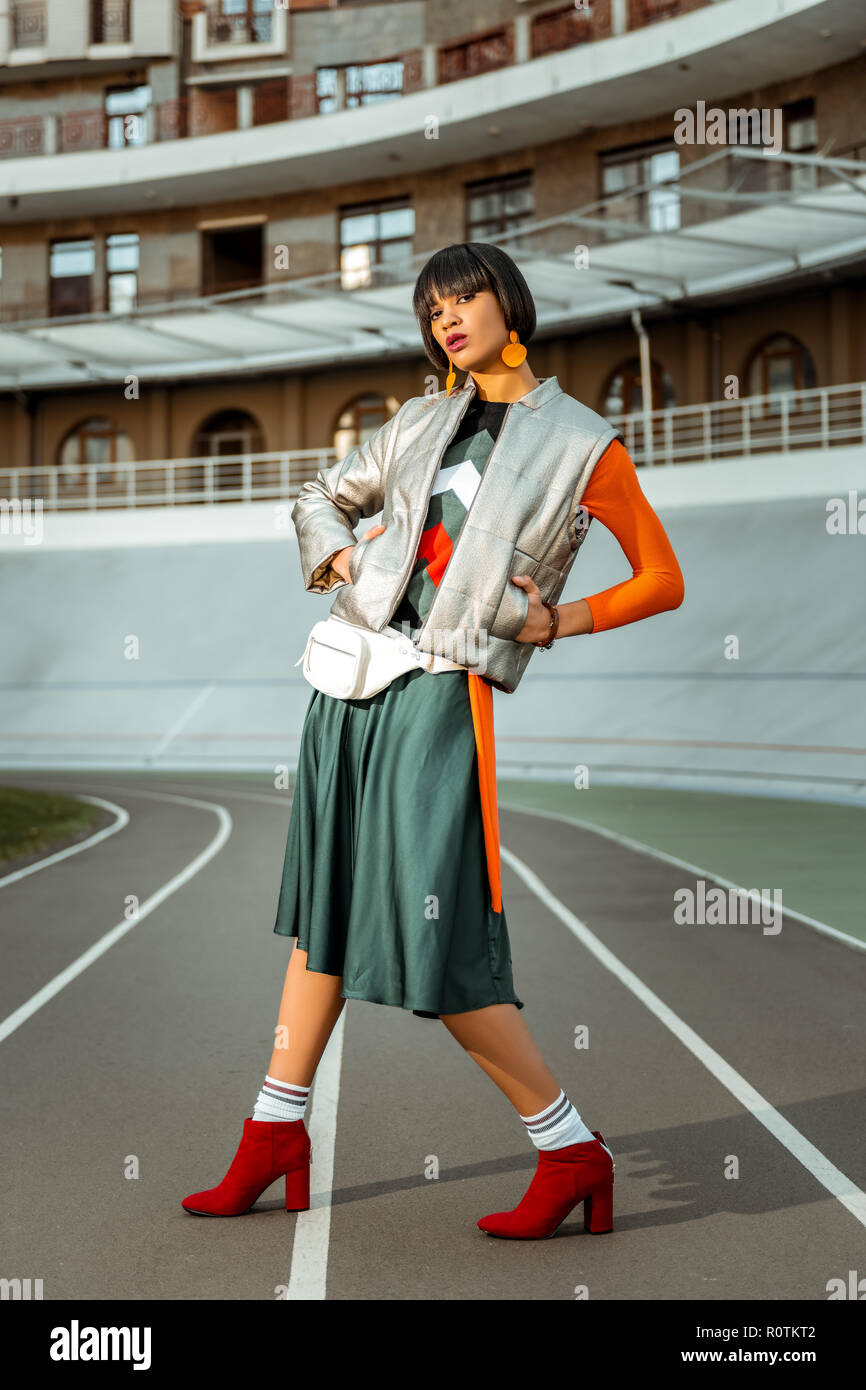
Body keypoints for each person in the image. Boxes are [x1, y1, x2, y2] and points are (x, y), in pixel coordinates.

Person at [181, 242, 684, 1239]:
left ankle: (568, 1148)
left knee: (436, 940)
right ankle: (272, 1130)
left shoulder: (585, 443)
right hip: (350, 682)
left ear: (508, 301)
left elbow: (661, 577)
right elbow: (315, 497)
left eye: (462, 297)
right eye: (430, 308)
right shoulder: (415, 420)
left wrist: (558, 622)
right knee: (322, 916)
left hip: (444, 693)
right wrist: (342, 562)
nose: (446, 317)